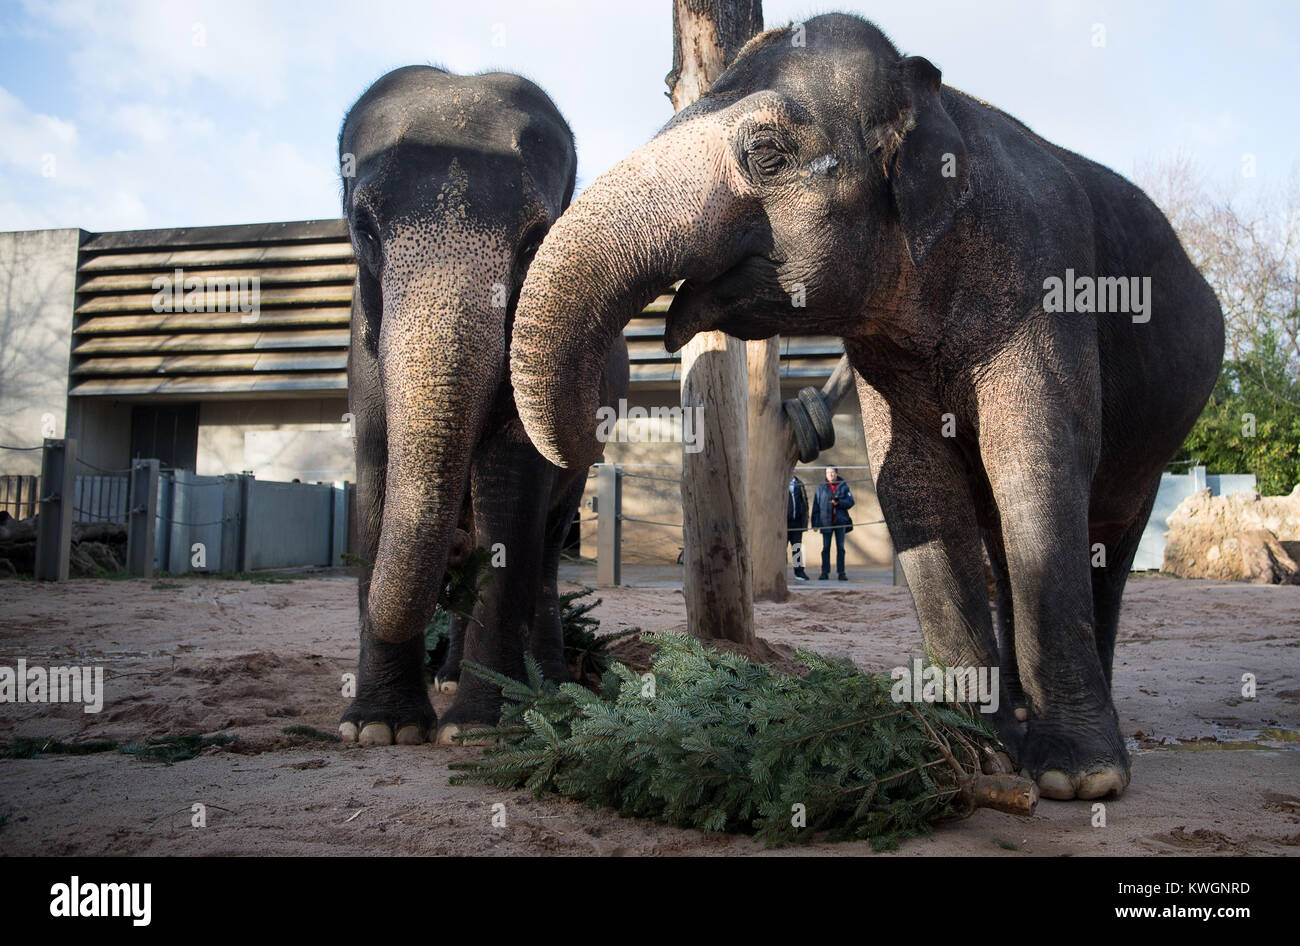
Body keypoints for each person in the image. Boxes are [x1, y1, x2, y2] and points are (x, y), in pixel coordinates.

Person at [811, 465, 854, 580]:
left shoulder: (843, 486)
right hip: (826, 522)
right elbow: (816, 506)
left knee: (840, 548)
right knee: (826, 548)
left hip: (840, 522)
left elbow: (850, 502)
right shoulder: (821, 488)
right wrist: (815, 523)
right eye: (828, 473)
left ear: (836, 473)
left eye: (832, 472)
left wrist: (839, 502)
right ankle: (825, 572)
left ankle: (841, 572)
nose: (830, 475)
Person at [786, 474, 810, 581]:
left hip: (797, 522)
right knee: (781, 549)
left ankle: (799, 572)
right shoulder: (781, 480)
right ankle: (781, 571)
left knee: (797, 547)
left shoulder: (799, 483)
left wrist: (804, 520)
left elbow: (804, 502)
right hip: (783, 523)